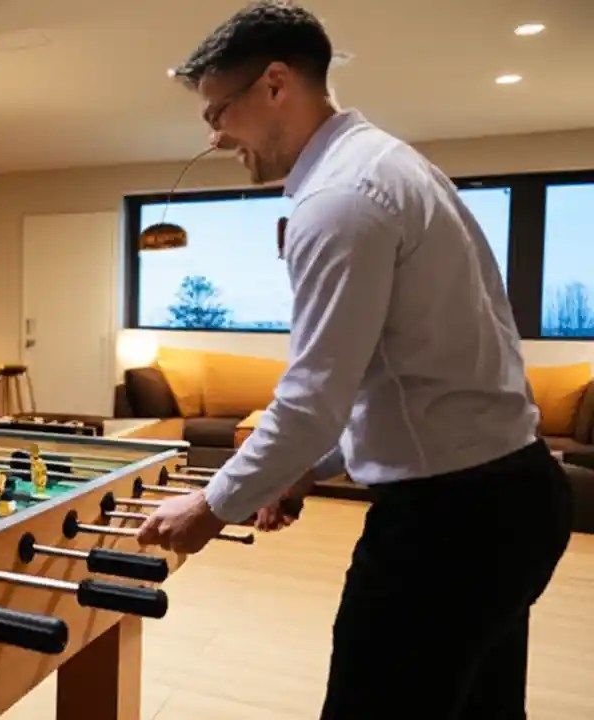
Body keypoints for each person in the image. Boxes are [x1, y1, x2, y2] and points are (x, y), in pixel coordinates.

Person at [134, 2, 573, 718]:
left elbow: (312, 398)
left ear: (276, 84)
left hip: (450, 522)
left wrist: (212, 505)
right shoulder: (389, 165)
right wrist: (305, 466)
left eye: (219, 113)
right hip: (510, 499)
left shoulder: (340, 197)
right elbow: (394, 379)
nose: (216, 138)